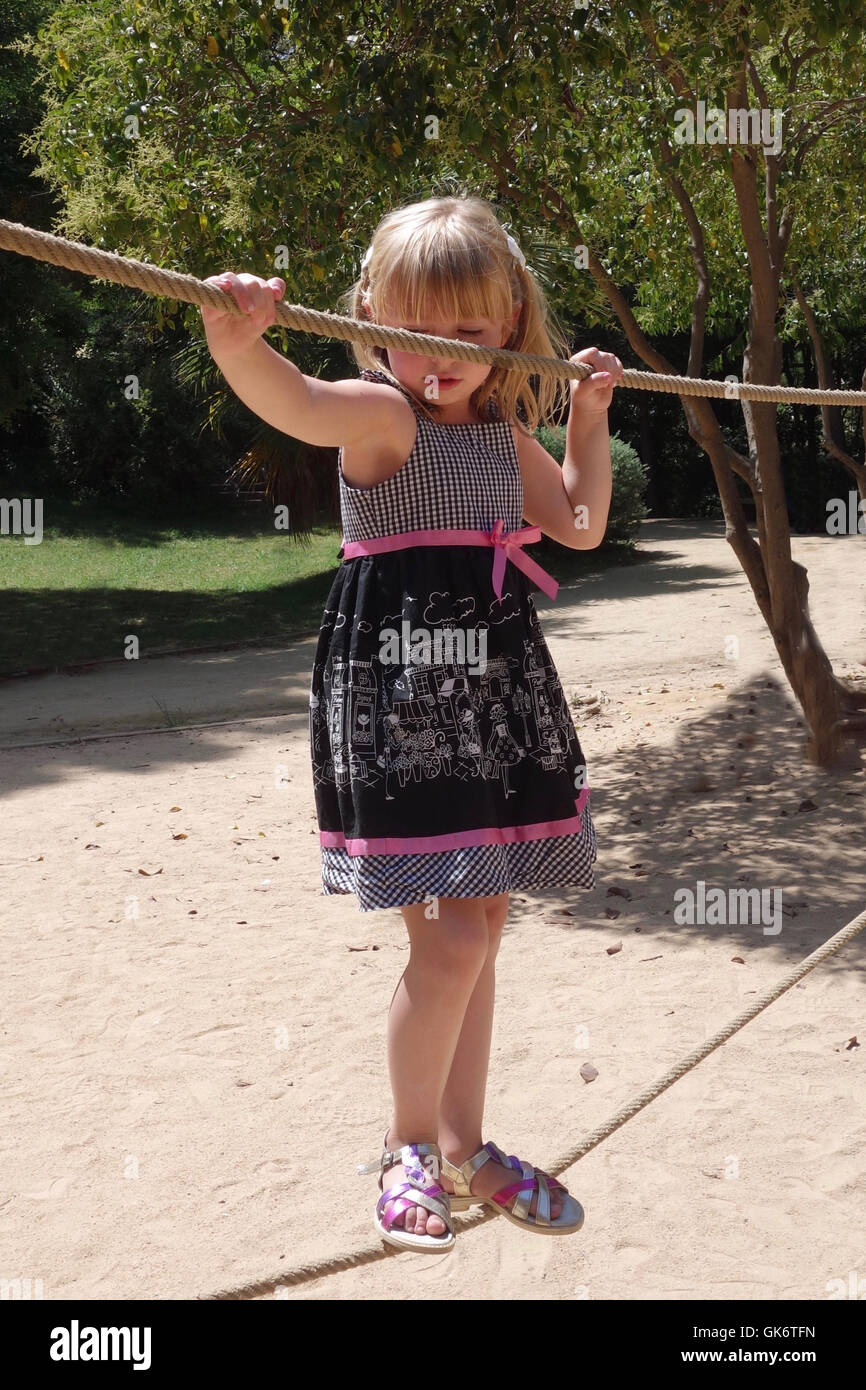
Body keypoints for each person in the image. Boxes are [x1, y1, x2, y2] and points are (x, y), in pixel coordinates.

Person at [201, 194, 623, 1255]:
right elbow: (294, 400)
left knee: (480, 929)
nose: (435, 359)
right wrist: (234, 340)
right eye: (409, 332)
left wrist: (584, 422)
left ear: (507, 324)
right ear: (369, 319)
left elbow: (576, 520)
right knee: (446, 943)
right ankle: (405, 1151)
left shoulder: (497, 434)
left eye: (466, 335)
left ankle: (465, 1146)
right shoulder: (381, 418)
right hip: (400, 706)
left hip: (486, 698)